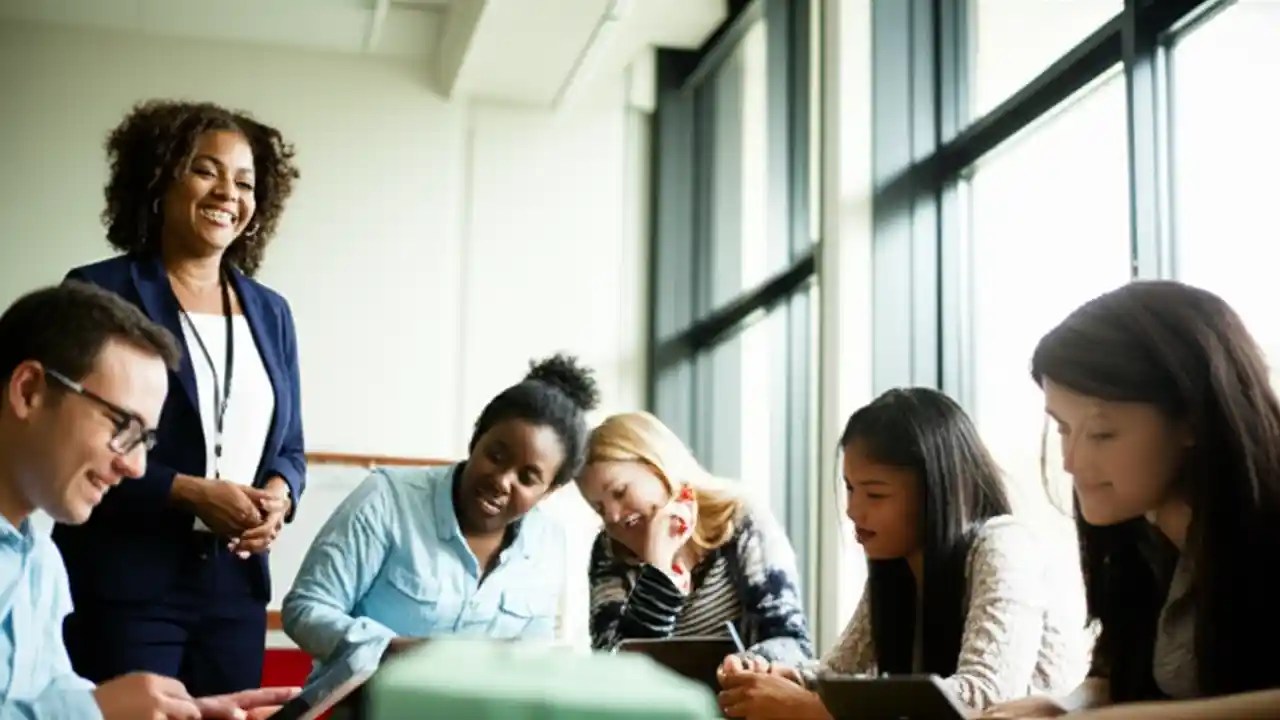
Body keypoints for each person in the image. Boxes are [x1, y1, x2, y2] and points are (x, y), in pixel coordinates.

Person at [54, 99, 307, 696]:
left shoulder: (272, 313)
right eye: (205, 170)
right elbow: (75, 444)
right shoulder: (99, 292)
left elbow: (290, 447)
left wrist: (279, 495)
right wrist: (189, 492)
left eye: (245, 181)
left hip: (235, 588)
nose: (228, 191)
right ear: (160, 178)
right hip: (127, 581)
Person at [983, 281, 1280, 720]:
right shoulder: (1138, 541)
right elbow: (1119, 670)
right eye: (1063, 428)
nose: (1071, 460)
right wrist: (1067, 704)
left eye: (1103, 434)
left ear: (1191, 420)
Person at [0, 281, 296, 719]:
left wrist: (182, 712)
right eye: (123, 426)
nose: (137, 467)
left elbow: (45, 699)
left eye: (146, 440)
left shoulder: (40, 561)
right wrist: (94, 712)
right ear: (29, 391)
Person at [720, 388, 1091, 719]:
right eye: (850, 488)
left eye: (875, 494)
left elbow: (982, 699)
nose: (852, 510)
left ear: (937, 493)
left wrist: (812, 710)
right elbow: (839, 674)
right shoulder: (896, 563)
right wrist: (782, 675)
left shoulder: (1004, 544)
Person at [282, 355, 599, 677]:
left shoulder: (548, 542)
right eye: (496, 456)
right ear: (476, 440)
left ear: (549, 491)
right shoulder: (388, 498)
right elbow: (306, 609)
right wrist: (396, 651)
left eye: (528, 478)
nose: (503, 481)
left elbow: (532, 654)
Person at [577, 411, 814, 667]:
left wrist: (743, 666)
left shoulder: (740, 518)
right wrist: (659, 569)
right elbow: (615, 670)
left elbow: (791, 643)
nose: (612, 516)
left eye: (620, 492)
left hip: (743, 698)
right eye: (599, 508)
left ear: (659, 467)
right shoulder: (609, 552)